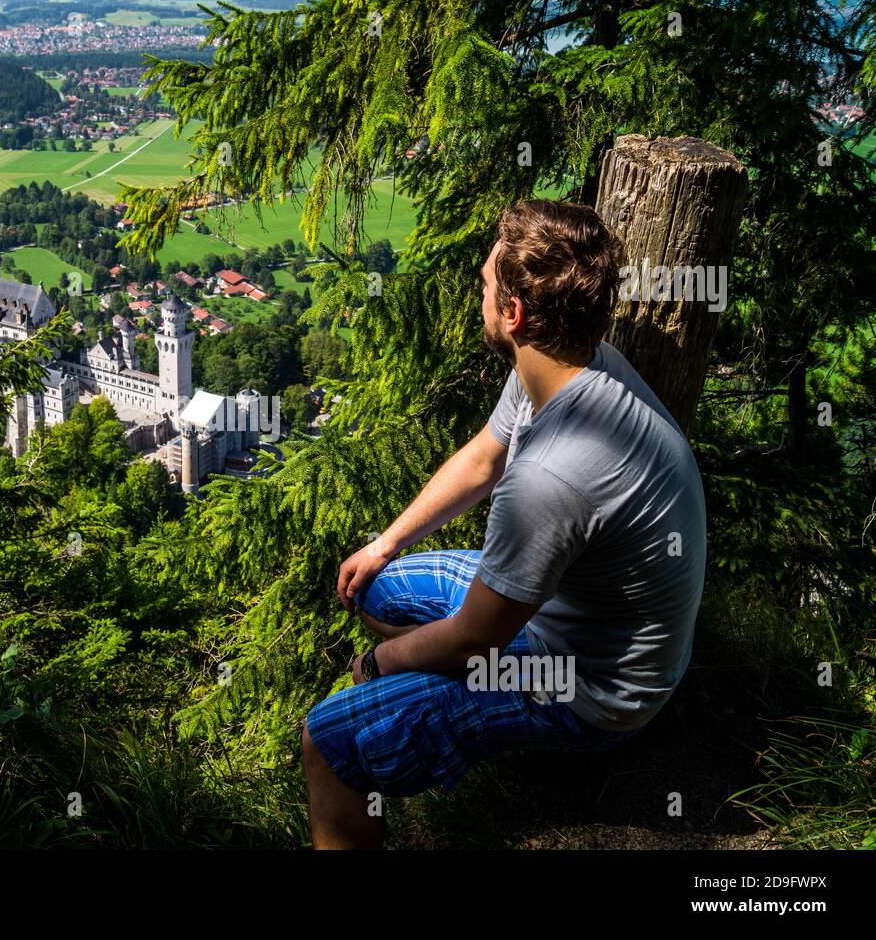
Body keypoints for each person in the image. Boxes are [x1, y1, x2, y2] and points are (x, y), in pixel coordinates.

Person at [302, 199, 708, 849]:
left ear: (513, 314)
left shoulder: (552, 472)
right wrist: (385, 543)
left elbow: (473, 643)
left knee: (327, 738)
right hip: (593, 622)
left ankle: (419, 729)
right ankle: (429, 717)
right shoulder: (571, 363)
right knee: (382, 587)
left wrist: (376, 665)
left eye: (487, 283)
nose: (480, 290)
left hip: (595, 687)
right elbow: (487, 454)